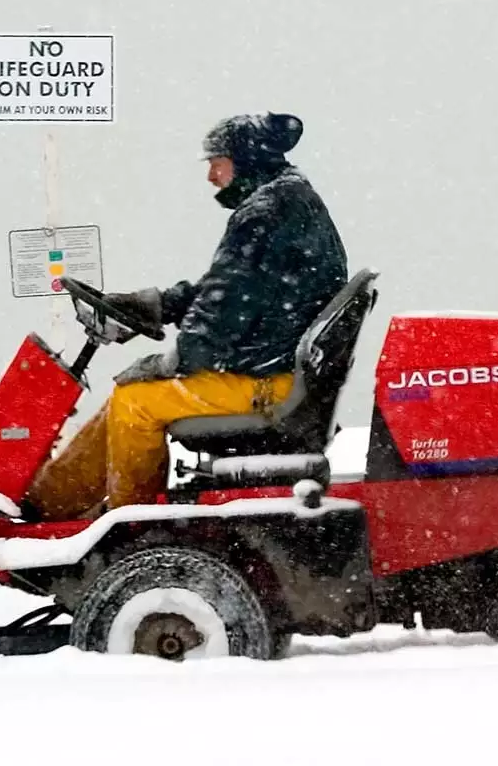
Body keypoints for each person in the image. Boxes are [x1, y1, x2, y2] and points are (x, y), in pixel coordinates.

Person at [23, 112, 348, 520]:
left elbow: (220, 316)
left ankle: (133, 531)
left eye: (217, 162)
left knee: (135, 403)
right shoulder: (286, 203)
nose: (211, 176)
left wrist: (169, 362)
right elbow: (226, 291)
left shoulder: (265, 214)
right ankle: (47, 507)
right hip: (278, 372)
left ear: (245, 159)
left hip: (270, 383)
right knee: (126, 395)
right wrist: (155, 305)